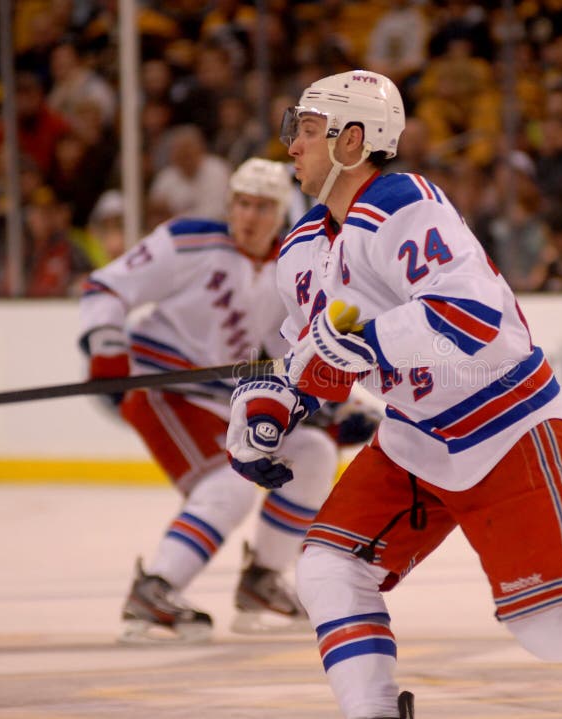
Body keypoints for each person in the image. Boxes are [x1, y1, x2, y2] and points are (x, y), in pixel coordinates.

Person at [225, 71, 562, 718]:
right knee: (328, 566)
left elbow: (470, 313)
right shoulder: (301, 248)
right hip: (416, 437)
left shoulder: (404, 203)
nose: (292, 147)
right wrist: (268, 403)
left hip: (507, 425)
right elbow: (308, 356)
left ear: (352, 141)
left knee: (554, 628)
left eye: (307, 131)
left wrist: (361, 345)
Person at [79, 157, 376, 643]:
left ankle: (262, 580)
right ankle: (156, 589)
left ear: (281, 213)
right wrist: (107, 347)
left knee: (315, 454)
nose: (250, 216)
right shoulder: (188, 240)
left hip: (221, 396)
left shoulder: (297, 263)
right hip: (160, 387)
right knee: (230, 483)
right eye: (241, 204)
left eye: (262, 206)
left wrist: (340, 406)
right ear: (229, 205)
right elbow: (106, 286)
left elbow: (301, 349)